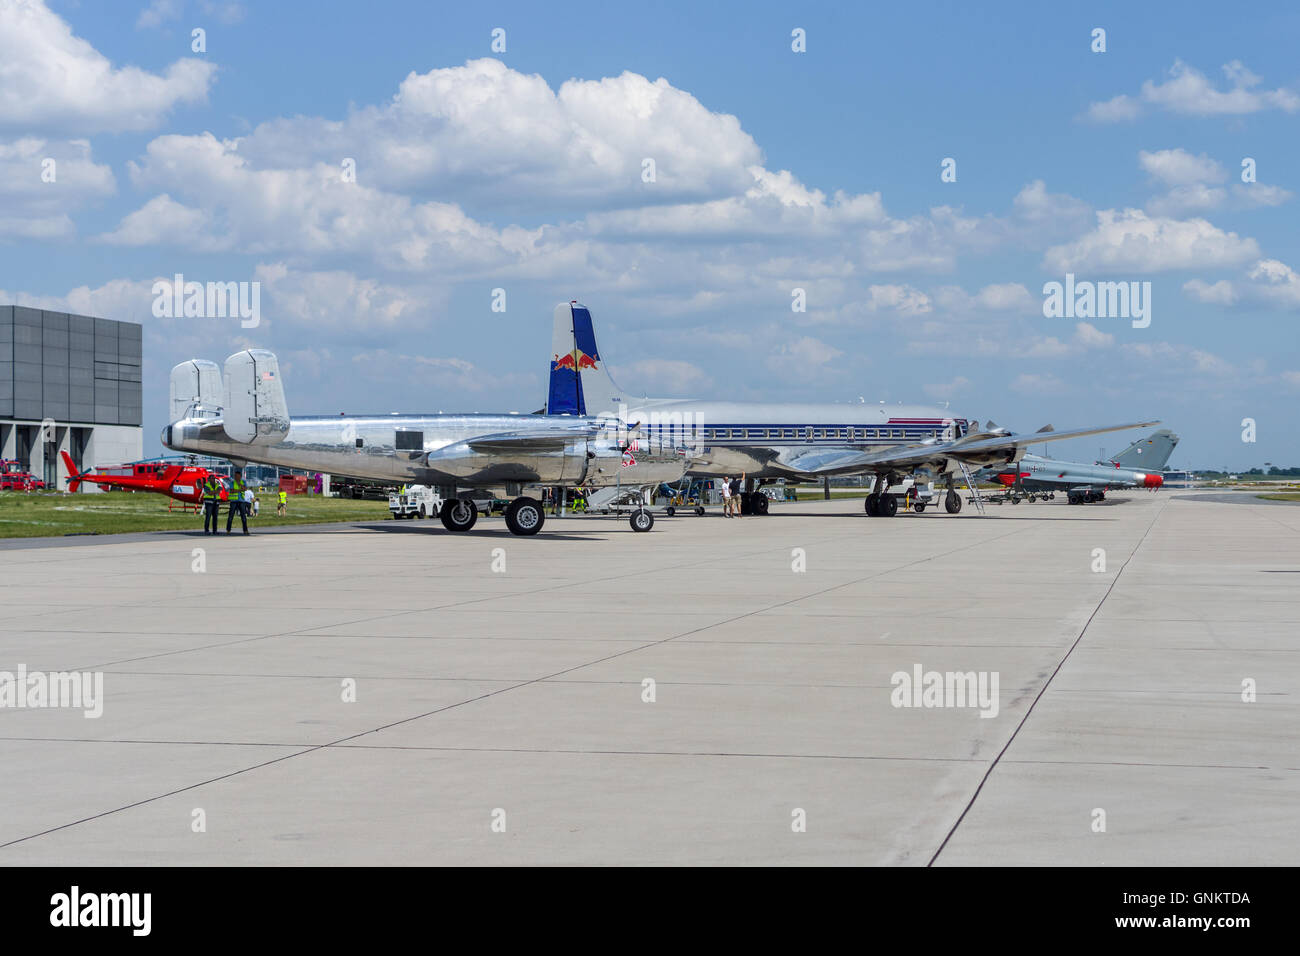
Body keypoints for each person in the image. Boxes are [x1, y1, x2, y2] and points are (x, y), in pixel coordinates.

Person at [226, 469, 249, 534]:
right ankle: (228, 530)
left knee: (243, 517)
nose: (236, 477)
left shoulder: (243, 482)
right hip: (233, 501)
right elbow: (232, 491)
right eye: (235, 476)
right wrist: (240, 490)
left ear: (240, 476)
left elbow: (245, 489)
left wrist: (240, 485)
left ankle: (245, 530)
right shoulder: (232, 483)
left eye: (238, 476)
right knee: (231, 516)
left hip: (241, 501)